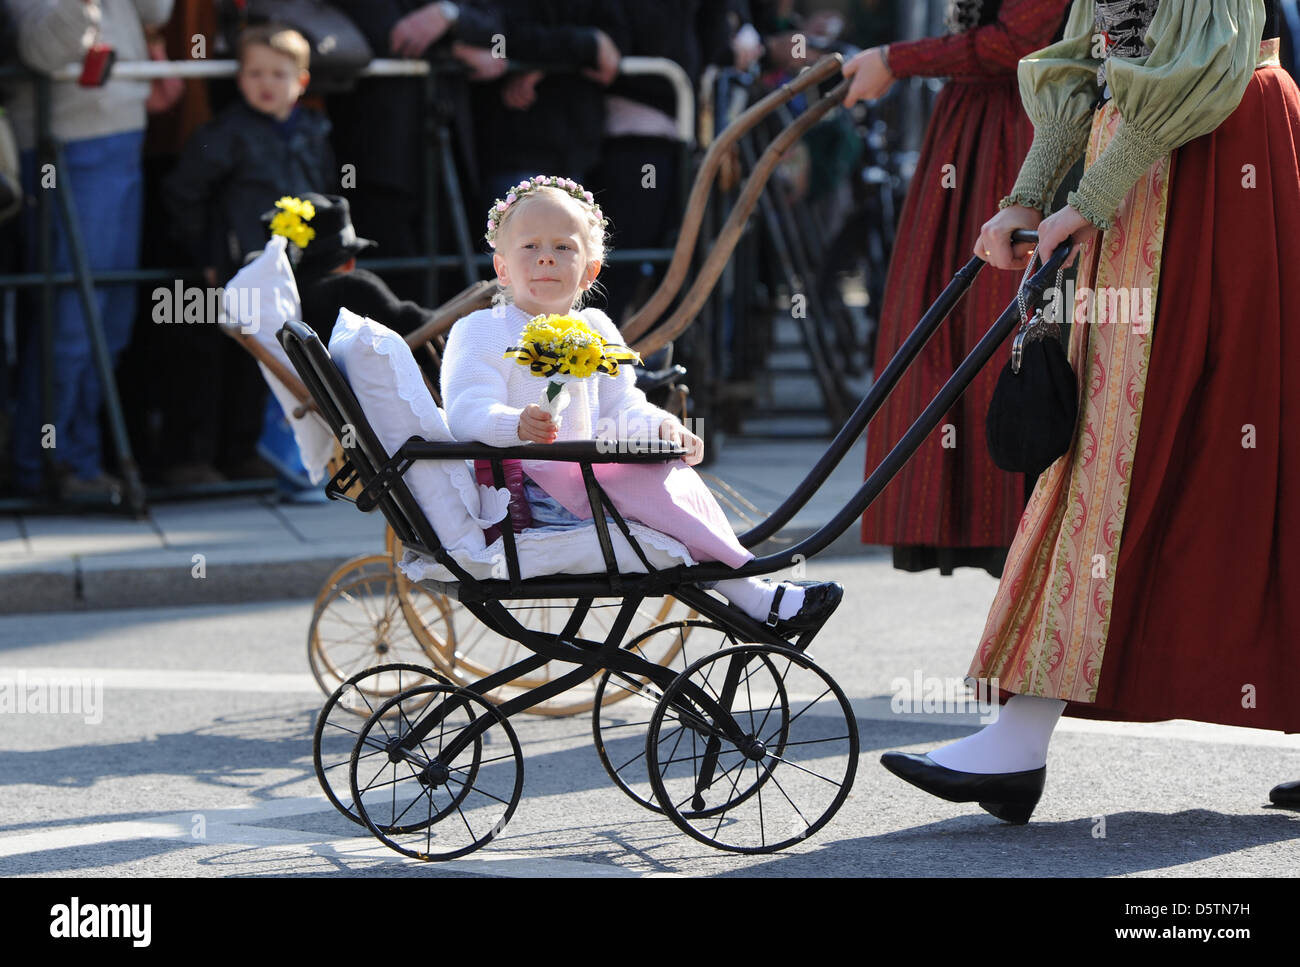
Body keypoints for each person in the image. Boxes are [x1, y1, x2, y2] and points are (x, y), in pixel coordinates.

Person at [877, 0, 1300, 820]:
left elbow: (1201, 66)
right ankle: (1018, 735)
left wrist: (1090, 195)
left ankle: (1017, 737)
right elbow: (1087, 60)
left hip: (1211, 163)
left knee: (1178, 440)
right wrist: (1029, 195)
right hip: (1153, 168)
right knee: (1120, 443)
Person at [440, 175, 843, 631]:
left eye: (564, 247)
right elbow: (465, 408)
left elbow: (622, 406)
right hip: (529, 495)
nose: (546, 257)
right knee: (638, 478)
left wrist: (661, 427)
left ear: (591, 269)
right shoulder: (482, 330)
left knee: (666, 466)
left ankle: (753, 592)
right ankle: (754, 593)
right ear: (503, 268)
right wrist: (515, 424)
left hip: (587, 480)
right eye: (529, 247)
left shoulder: (594, 325)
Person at [842, 0, 1072, 579]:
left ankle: (1023, 533)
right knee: (955, 326)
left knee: (1004, 320)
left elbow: (1015, 42)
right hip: (974, 124)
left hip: (1022, 127)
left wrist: (897, 60)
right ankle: (985, 531)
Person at [6, 0, 175, 501]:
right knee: (75, 316)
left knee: (112, 318)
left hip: (122, 136)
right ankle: (43, 464)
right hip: (65, 144)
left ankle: (79, 458)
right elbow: (44, 50)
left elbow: (158, 12)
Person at [159, 23, 333, 485]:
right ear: (239, 79)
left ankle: (243, 453)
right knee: (206, 361)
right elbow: (184, 193)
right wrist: (207, 254)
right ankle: (190, 459)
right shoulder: (221, 133)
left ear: (301, 81)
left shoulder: (313, 132)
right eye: (254, 72)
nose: (265, 84)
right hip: (227, 271)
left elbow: (324, 196)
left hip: (287, 271)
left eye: (278, 73)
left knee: (267, 359)